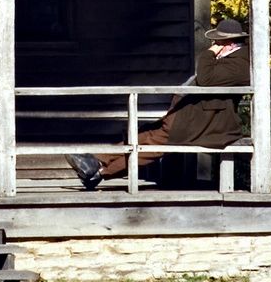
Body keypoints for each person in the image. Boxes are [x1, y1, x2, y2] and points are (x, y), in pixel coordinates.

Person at [66, 17, 252, 190]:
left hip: (208, 123)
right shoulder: (232, 60)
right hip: (193, 117)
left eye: (218, 42)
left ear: (228, 44)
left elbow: (206, 78)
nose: (214, 45)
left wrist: (209, 54)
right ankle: (96, 161)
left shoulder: (239, 63)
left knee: (152, 145)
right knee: (145, 135)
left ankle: (99, 172)